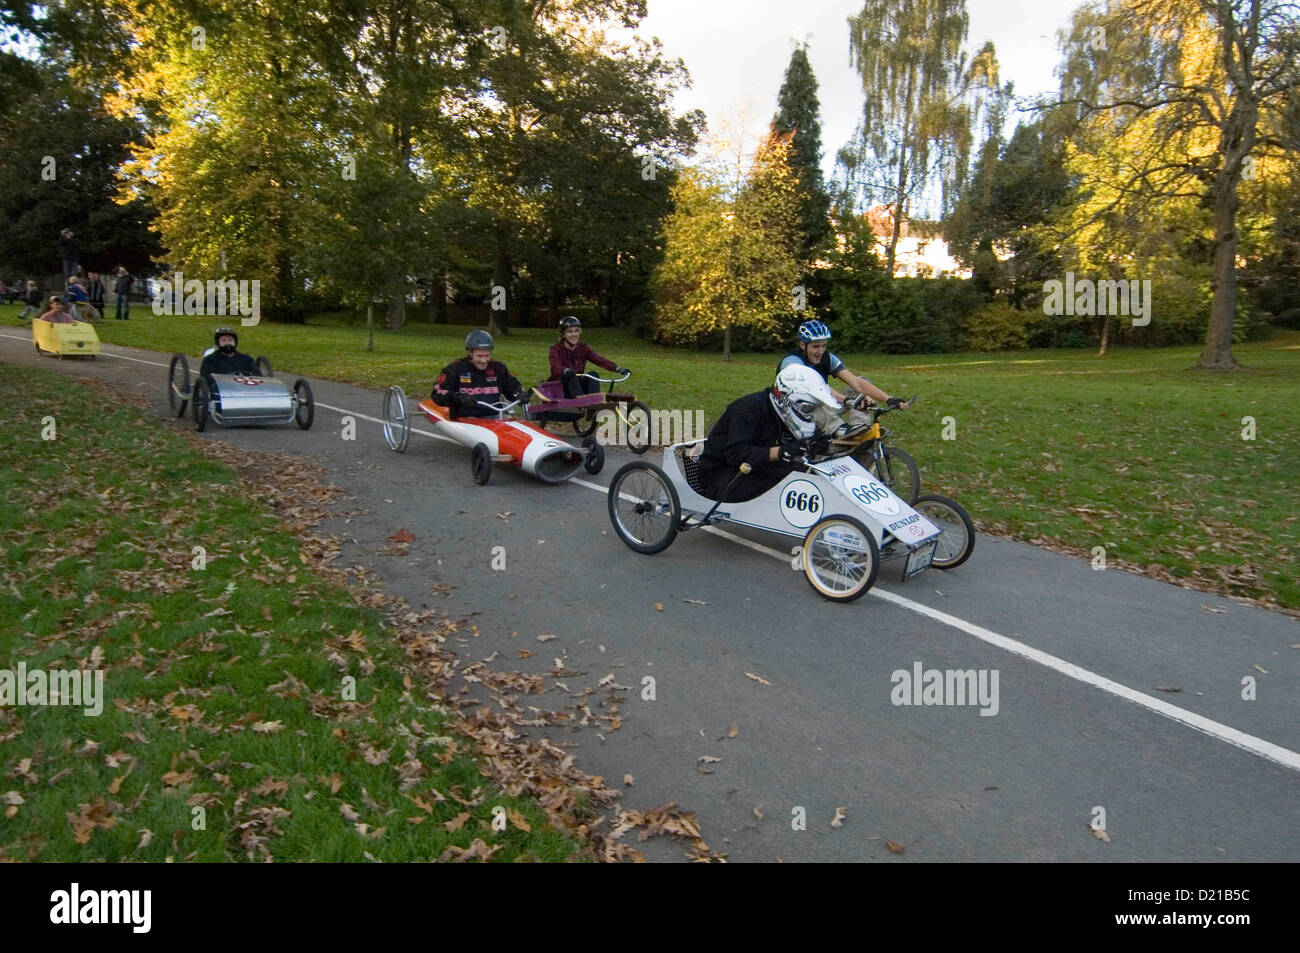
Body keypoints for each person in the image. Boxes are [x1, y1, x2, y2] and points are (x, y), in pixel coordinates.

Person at [696, 364, 843, 502]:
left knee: (811, 475)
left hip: (753, 470)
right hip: (722, 477)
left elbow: (792, 448)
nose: (809, 414)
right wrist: (783, 451)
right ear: (784, 398)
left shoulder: (780, 414)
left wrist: (813, 445)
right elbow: (736, 454)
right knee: (795, 482)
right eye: (808, 408)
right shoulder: (747, 408)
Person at [778, 320, 907, 436]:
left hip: (824, 407)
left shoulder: (827, 358)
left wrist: (888, 398)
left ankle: (857, 429)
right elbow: (814, 389)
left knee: (862, 382)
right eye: (815, 346)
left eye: (824, 346)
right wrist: (846, 400)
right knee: (814, 399)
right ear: (802, 345)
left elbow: (857, 382)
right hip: (793, 411)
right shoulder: (792, 362)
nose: (820, 351)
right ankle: (840, 430)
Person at [432, 330, 528, 419]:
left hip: (495, 417)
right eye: (479, 356)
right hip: (466, 420)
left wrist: (519, 394)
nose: (484, 360)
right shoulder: (455, 369)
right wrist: (459, 397)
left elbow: (512, 386)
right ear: (470, 353)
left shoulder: (498, 368)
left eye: (487, 356)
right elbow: (437, 394)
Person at [547, 316, 627, 399]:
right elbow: (555, 367)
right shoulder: (556, 349)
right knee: (570, 375)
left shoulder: (583, 348)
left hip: (577, 386)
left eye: (576, 331)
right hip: (561, 387)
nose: (574, 334)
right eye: (570, 332)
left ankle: (594, 402)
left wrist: (618, 368)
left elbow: (599, 360)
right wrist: (565, 371)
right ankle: (583, 402)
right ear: (563, 334)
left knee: (593, 374)